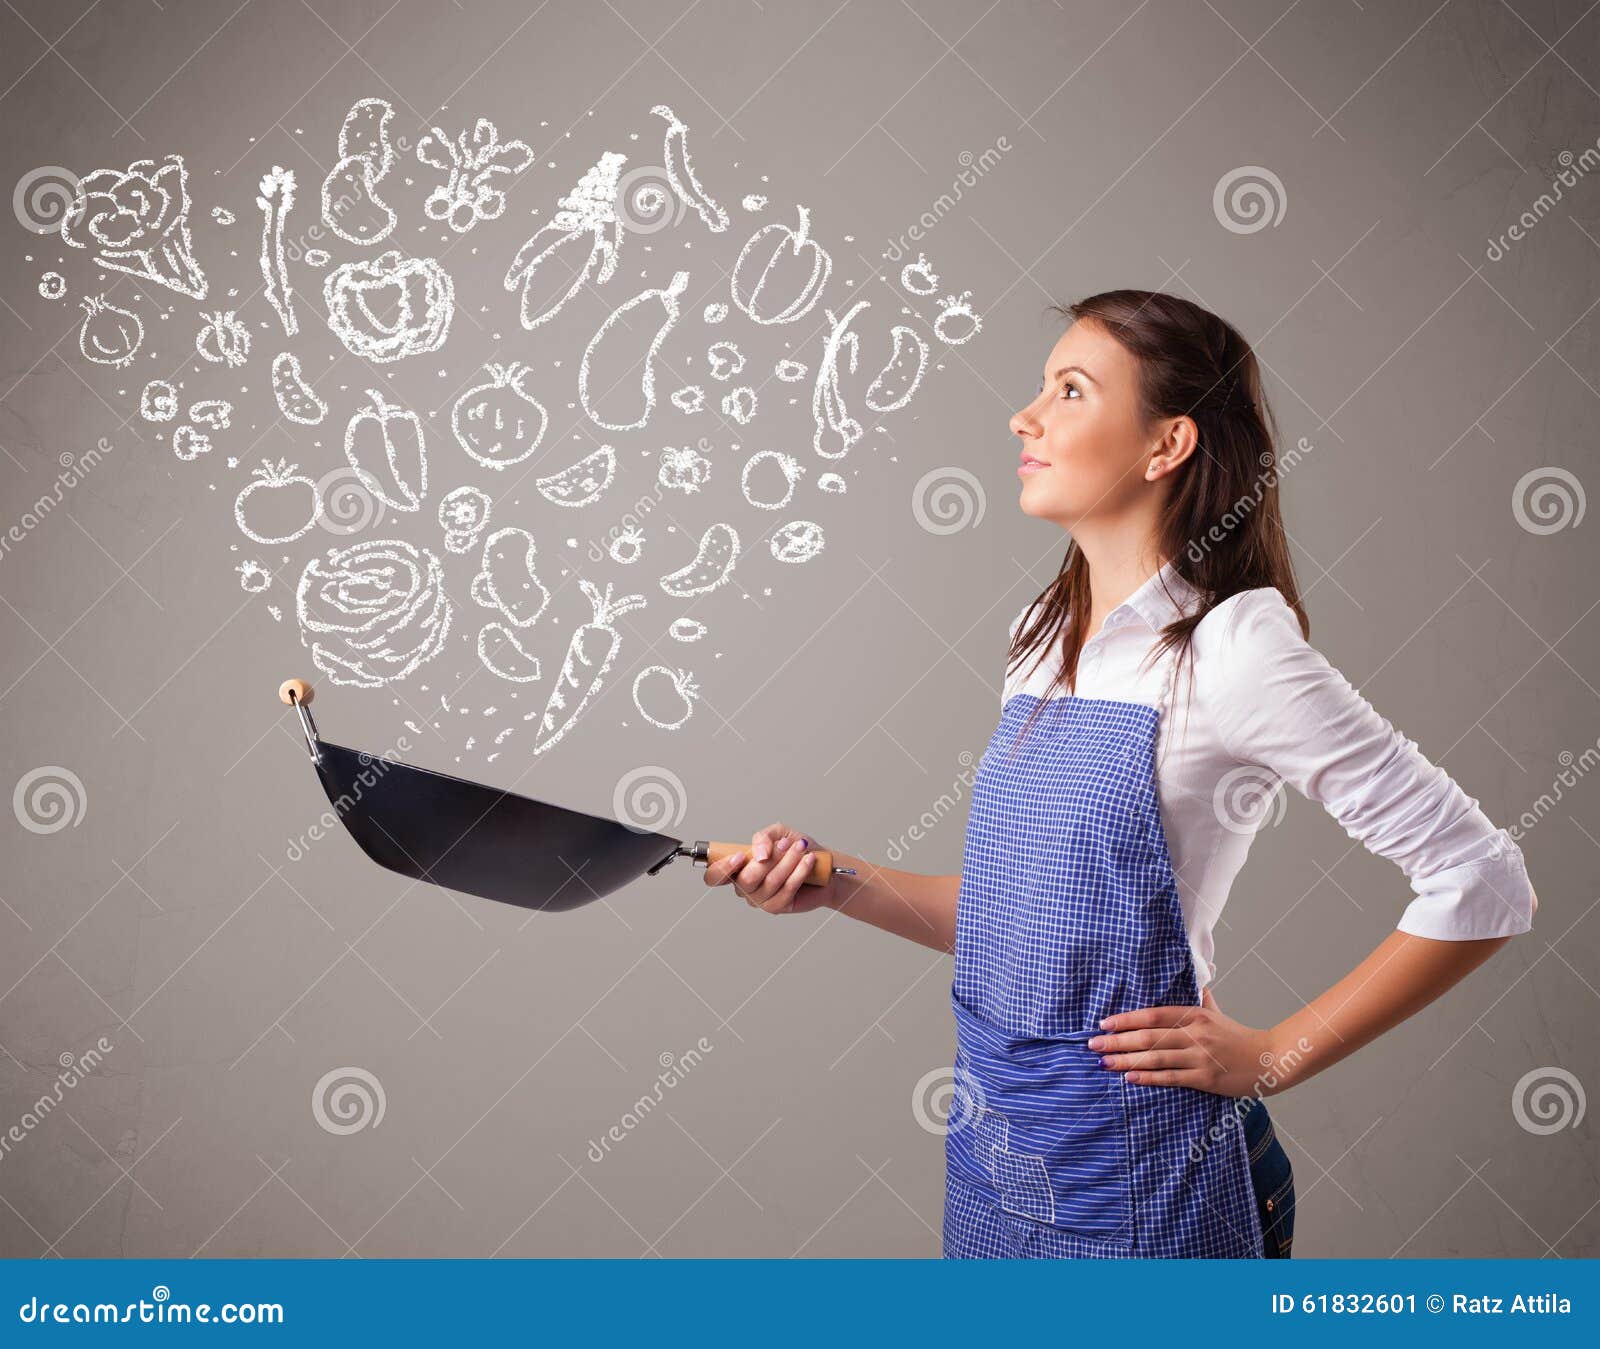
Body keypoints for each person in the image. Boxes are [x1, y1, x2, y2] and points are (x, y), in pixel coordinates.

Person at [702, 289, 1537, 1259]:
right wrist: (836, 881)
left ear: (1165, 443)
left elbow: (1482, 879)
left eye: (1069, 390)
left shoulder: (1233, 646)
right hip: (1004, 1151)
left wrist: (1273, 1053)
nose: (1025, 415)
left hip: (1153, 1173)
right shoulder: (1040, 634)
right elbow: (1031, 919)